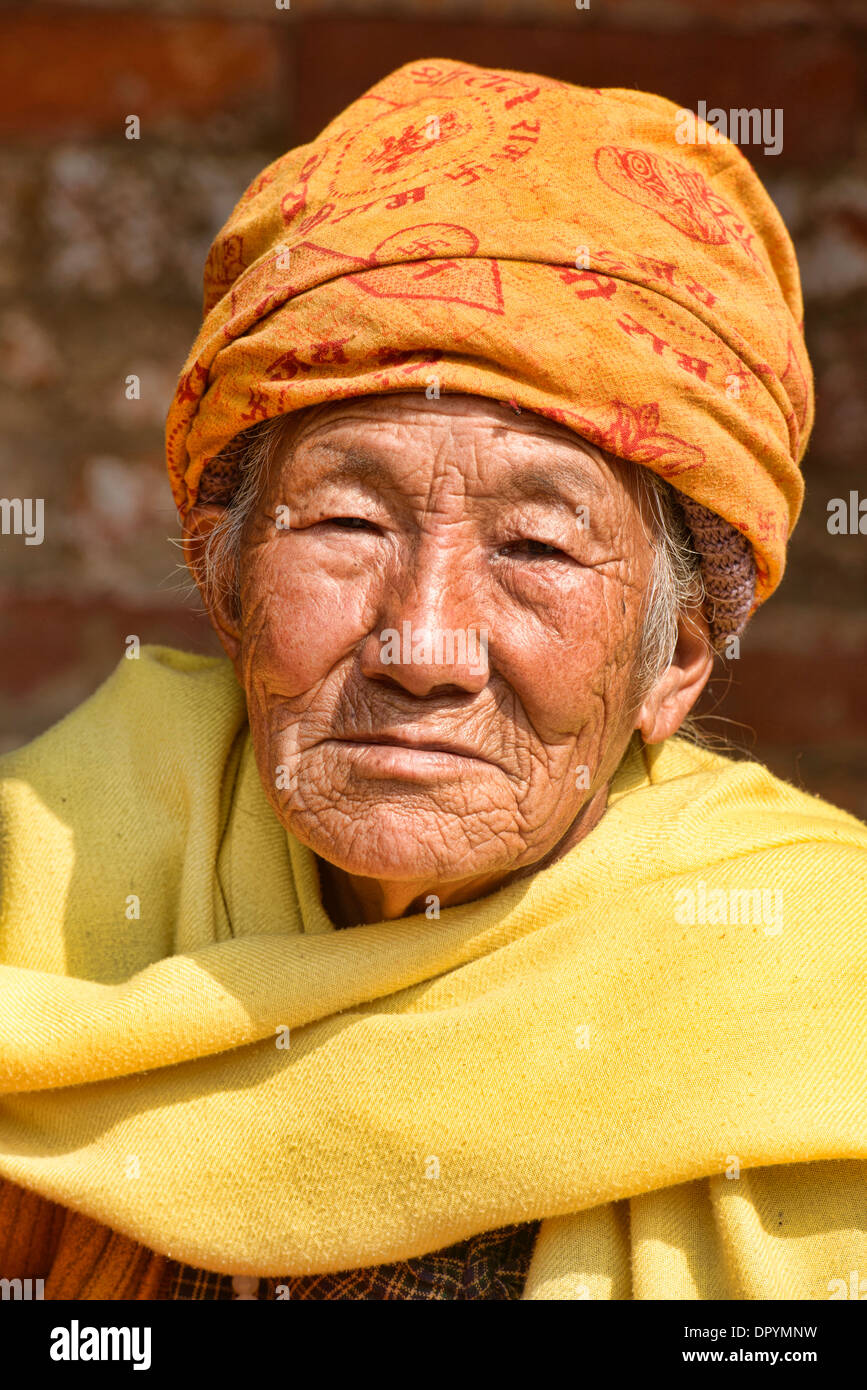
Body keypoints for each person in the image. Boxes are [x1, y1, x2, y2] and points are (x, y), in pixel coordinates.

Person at [1, 58, 864, 1301]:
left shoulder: (822, 1009)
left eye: (537, 546)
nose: (425, 647)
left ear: (675, 658)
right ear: (228, 585)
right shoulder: (45, 882)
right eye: (348, 523)